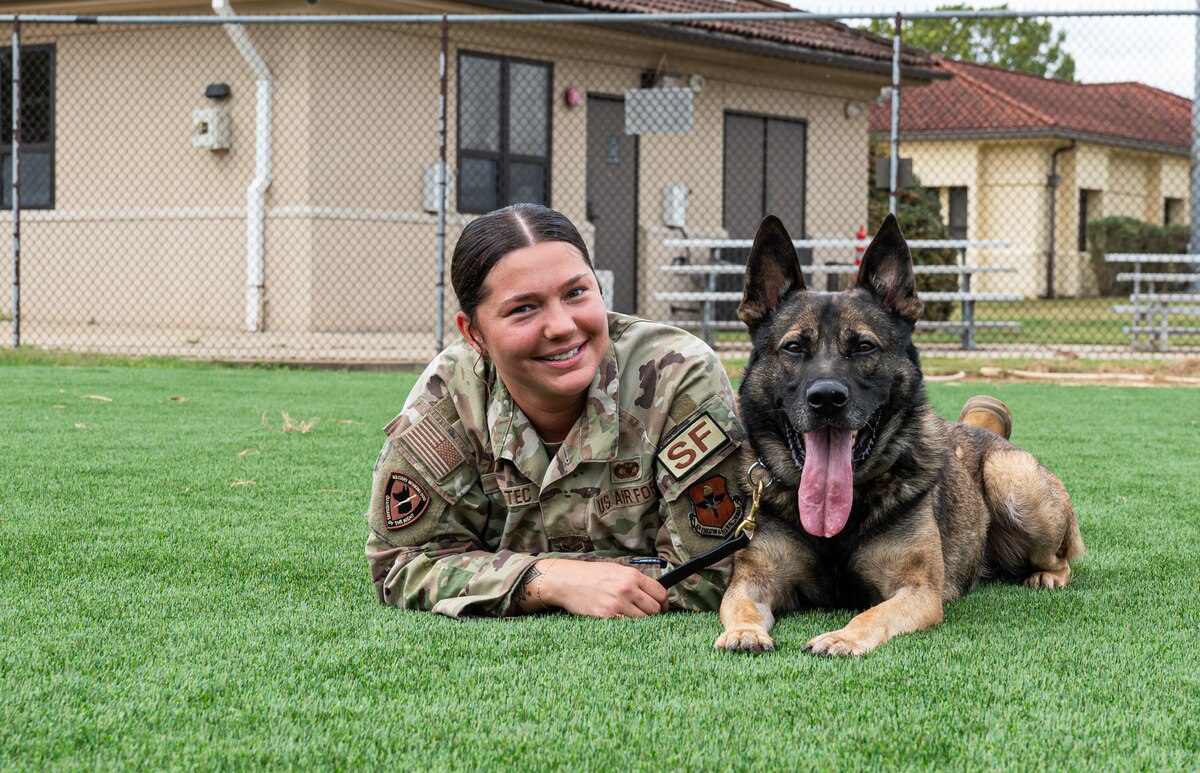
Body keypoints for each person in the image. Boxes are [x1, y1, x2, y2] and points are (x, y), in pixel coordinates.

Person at [364, 204, 750, 619]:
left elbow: (710, 572)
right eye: (523, 308)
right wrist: (548, 580)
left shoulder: (675, 374)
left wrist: (498, 573)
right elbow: (401, 564)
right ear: (473, 333)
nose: (562, 325)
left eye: (576, 293)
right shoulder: (452, 395)